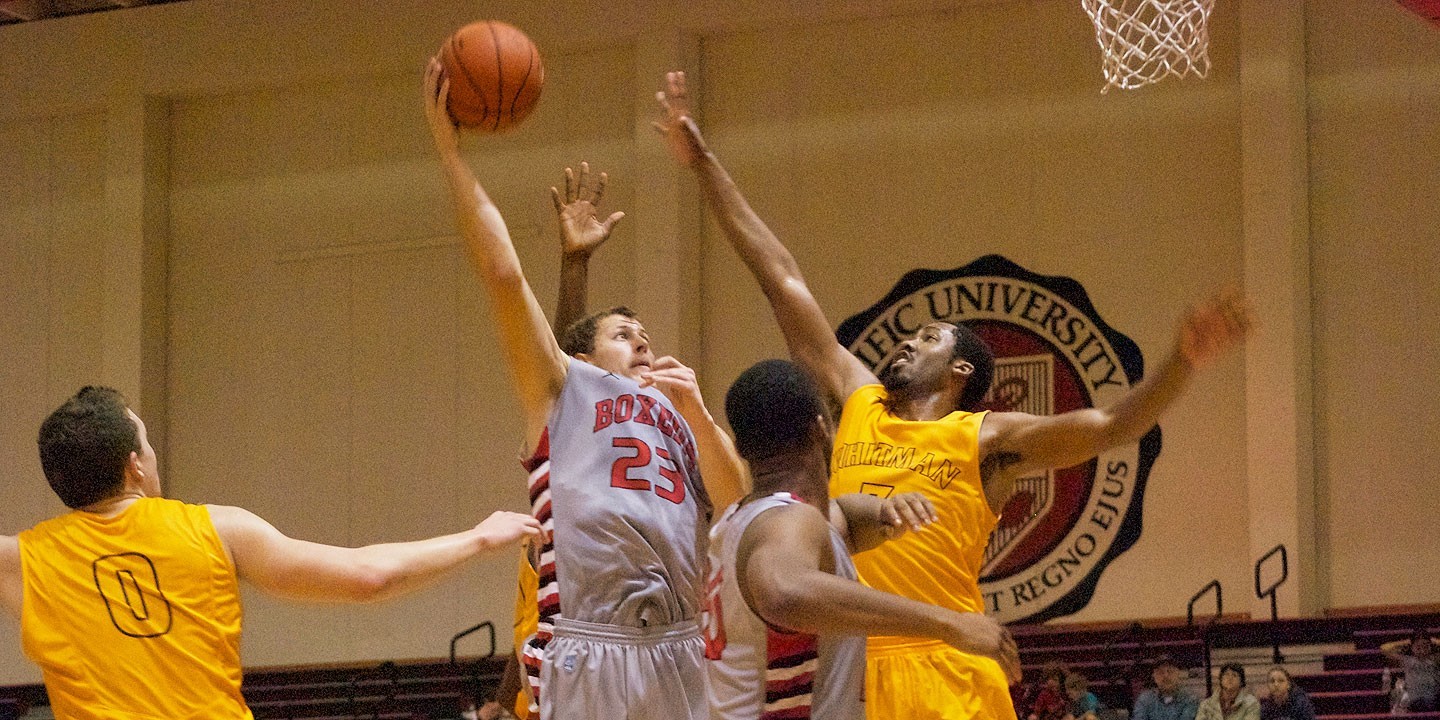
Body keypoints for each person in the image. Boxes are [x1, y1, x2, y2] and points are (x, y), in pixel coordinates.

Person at [653, 69, 1252, 720]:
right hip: (855, 672)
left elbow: (1111, 424)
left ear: (963, 370)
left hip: (948, 669)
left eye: (930, 337)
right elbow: (781, 279)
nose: (908, 343)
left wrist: (1182, 362)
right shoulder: (859, 398)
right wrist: (705, 166)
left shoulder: (989, 440)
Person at [423, 59, 746, 720]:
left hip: (682, 644)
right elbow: (504, 276)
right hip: (591, 644)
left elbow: (737, 499)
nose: (643, 339)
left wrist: (701, 413)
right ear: (581, 355)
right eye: (625, 332)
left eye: (645, 332)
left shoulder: (680, 414)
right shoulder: (566, 394)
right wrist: (451, 155)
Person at [0, 386, 539, 720]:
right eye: (146, 440)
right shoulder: (215, 528)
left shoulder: (23, 561)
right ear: (134, 466)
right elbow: (365, 577)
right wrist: (477, 538)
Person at [706, 359, 1020, 719]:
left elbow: (841, 521)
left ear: (743, 449)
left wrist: (885, 509)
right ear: (821, 430)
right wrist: (950, 623)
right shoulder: (789, 521)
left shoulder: (740, 522)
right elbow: (785, 591)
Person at [1381, 630, 1440, 712]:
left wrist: (1433, 640)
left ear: (1431, 646)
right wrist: (1407, 641)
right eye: (1418, 647)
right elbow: (1384, 649)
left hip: (1434, 698)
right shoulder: (1407, 660)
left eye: (1426, 647)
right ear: (1412, 648)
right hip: (1415, 699)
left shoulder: (1435, 659)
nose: (1422, 651)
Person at [1133, 656, 1200, 720]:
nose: (1166, 676)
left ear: (1178, 673)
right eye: (1160, 672)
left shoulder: (1190, 699)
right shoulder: (1145, 700)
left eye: (1170, 671)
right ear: (1154, 676)